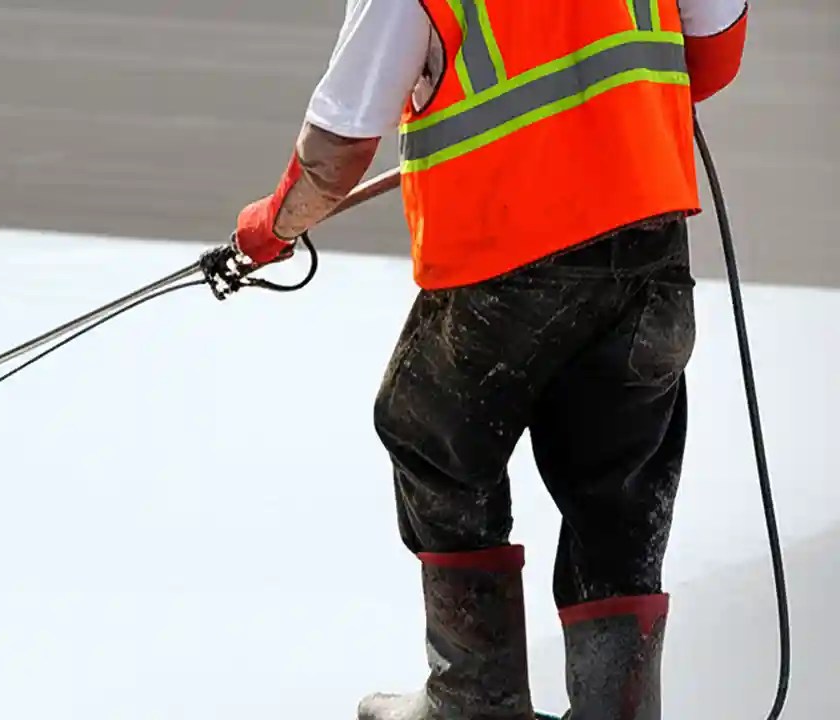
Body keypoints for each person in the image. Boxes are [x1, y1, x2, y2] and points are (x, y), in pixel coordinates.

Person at [231, 0, 749, 717]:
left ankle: (472, 698)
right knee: (620, 484)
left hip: (509, 252)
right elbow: (715, 56)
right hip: (649, 249)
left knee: (428, 429)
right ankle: (618, 708)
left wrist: (270, 226)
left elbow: (341, 144)